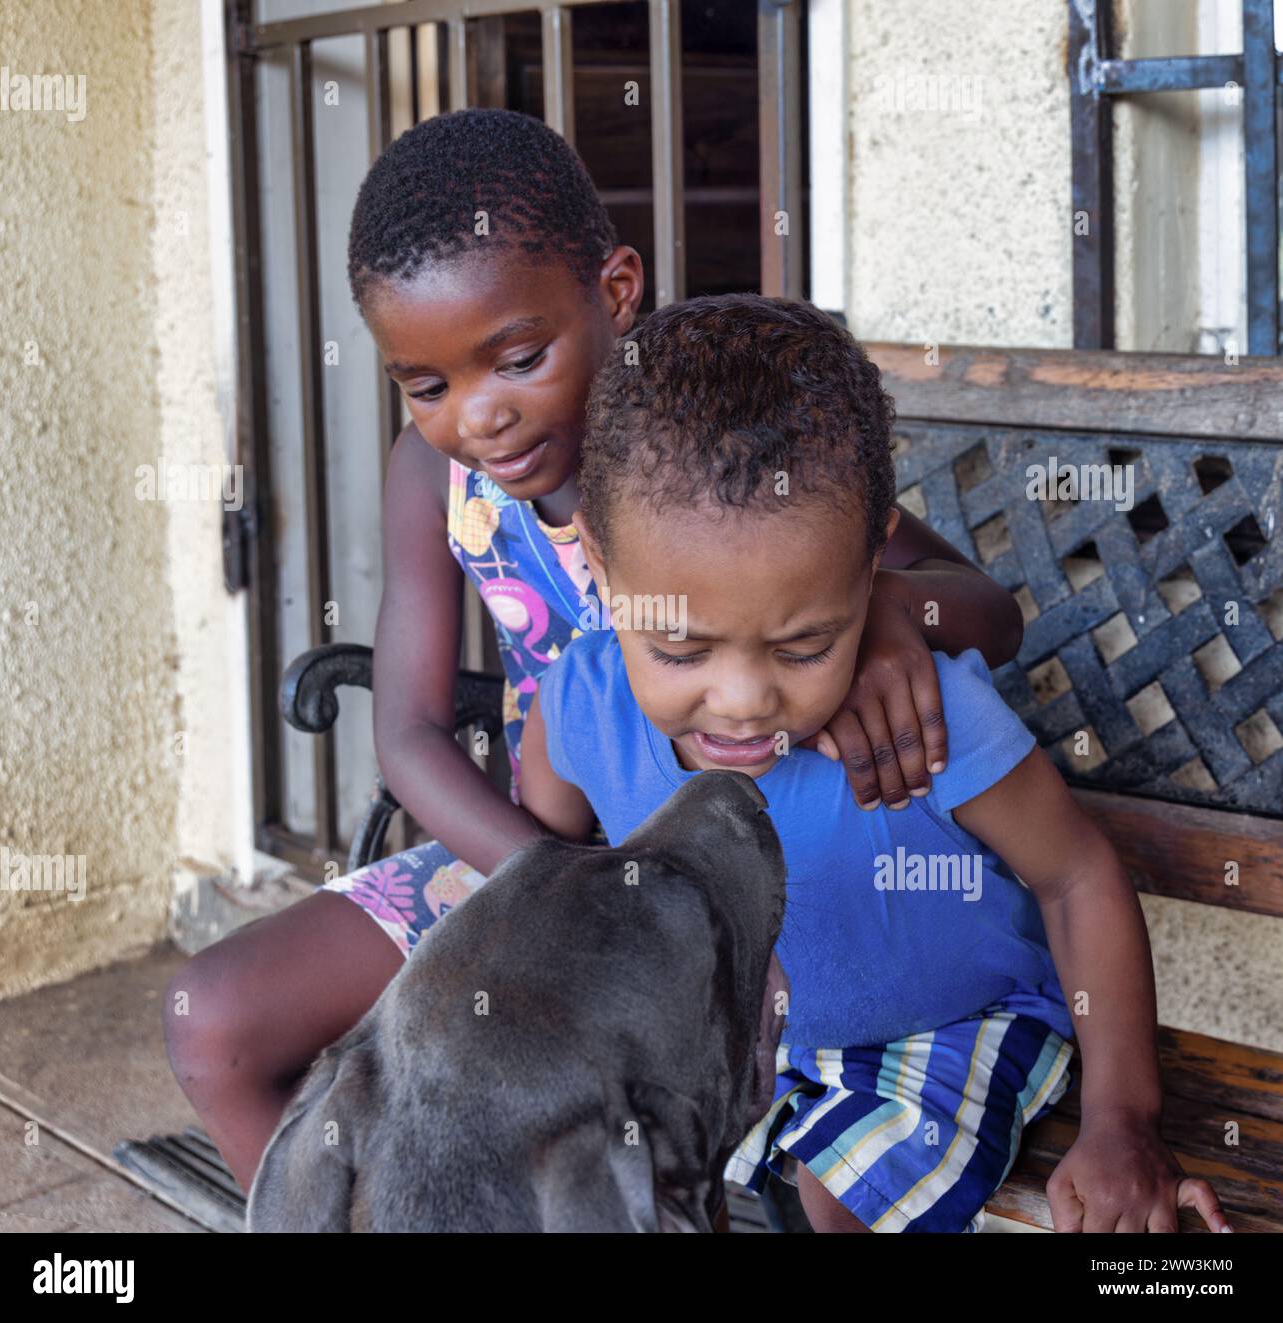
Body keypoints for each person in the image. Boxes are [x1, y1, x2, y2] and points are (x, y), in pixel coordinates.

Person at [164, 109, 1025, 1198]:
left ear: (615, 293)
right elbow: (411, 732)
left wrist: (898, 610)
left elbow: (987, 609)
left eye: (518, 357)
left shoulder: (707, 453)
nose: (480, 414)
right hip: (538, 849)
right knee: (212, 1021)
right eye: (427, 386)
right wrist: (545, 889)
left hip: (734, 859)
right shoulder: (433, 482)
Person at [516, 293, 1232, 1234]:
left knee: (842, 1195)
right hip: (752, 1033)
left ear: (871, 575)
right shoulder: (584, 701)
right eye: (684, 651)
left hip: (946, 1022)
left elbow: (1076, 874)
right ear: (601, 572)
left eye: (806, 645)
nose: (743, 699)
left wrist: (1123, 1120)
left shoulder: (917, 713)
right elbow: (545, 833)